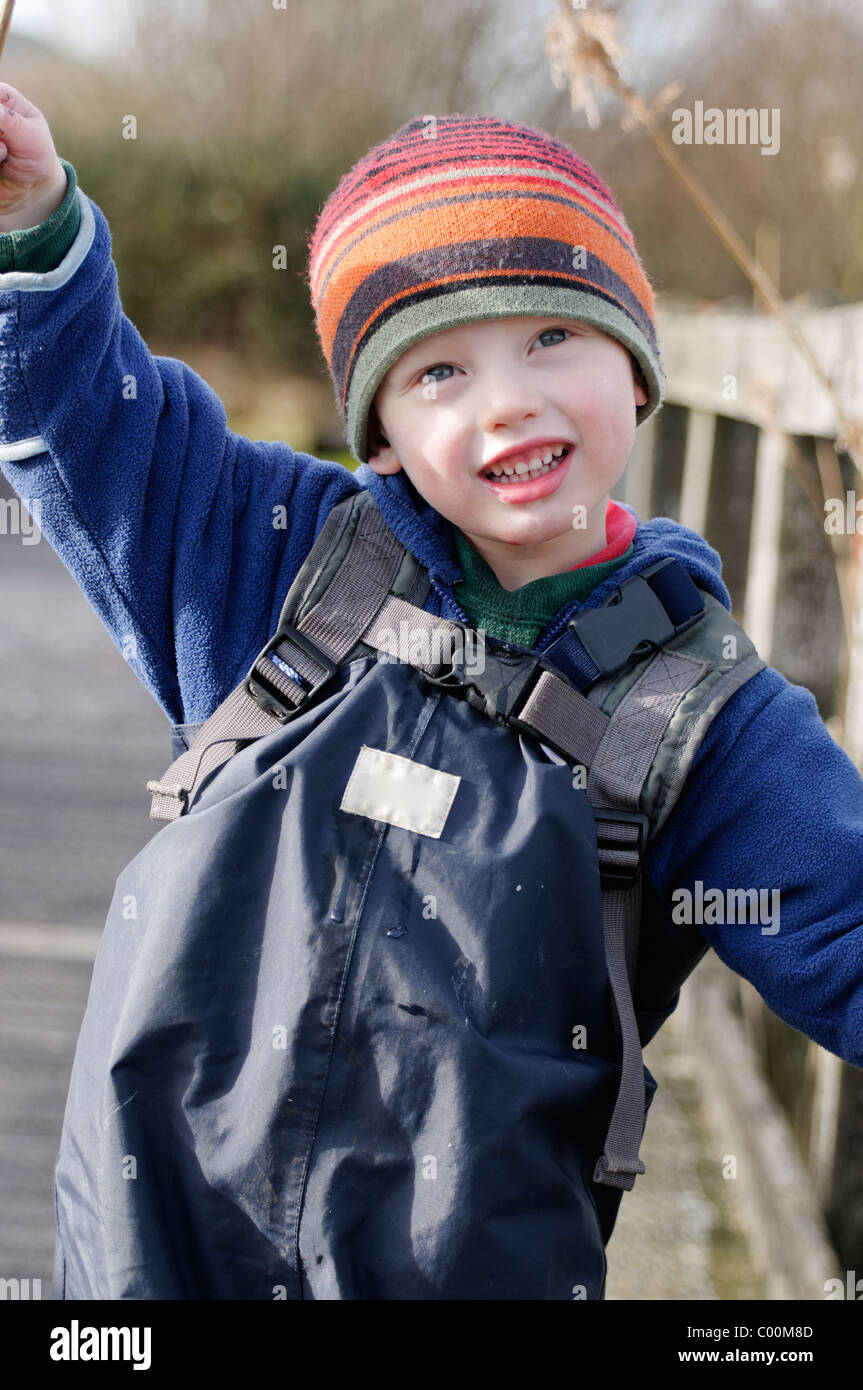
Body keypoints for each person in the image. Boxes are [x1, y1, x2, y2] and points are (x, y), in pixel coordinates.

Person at [0, 85, 861, 1301]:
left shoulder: (709, 721)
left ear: (638, 362)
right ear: (385, 432)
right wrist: (32, 230)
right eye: (440, 367)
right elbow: (83, 421)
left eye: (551, 336)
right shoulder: (273, 557)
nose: (506, 397)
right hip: (150, 1275)